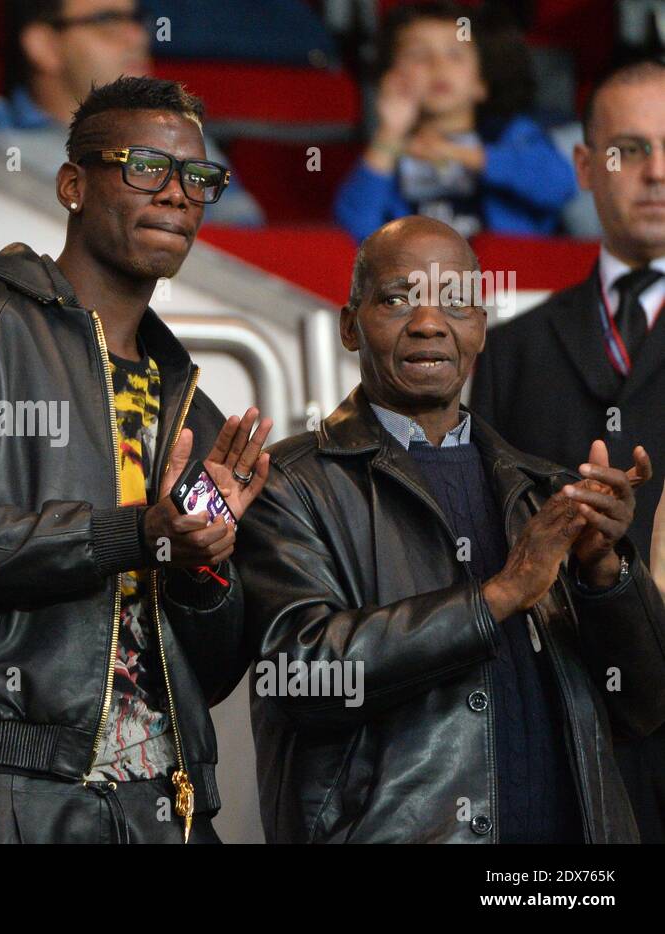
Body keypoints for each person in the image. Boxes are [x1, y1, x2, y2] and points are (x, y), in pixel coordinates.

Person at [0, 76, 268, 844]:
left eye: (199, 177)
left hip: (168, 796)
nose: (178, 193)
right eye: (146, 167)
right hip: (6, 780)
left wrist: (201, 567)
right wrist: (132, 534)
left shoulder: (189, 403)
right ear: (72, 185)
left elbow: (213, 671)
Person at [237, 215, 665, 844]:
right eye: (398, 300)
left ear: (480, 328)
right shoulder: (287, 483)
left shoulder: (543, 490)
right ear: (350, 326)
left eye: (456, 302)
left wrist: (606, 574)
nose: (429, 323)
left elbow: (642, 708)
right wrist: (499, 596)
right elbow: (302, 678)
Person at [472, 57, 665, 841]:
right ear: (585, 166)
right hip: (563, 737)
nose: (656, 172)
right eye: (629, 149)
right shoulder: (509, 352)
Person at [0, 0, 264, 226]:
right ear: (44, 45)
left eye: (136, 19)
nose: (138, 38)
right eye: (107, 21)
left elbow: (244, 254)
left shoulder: (187, 140)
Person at [333, 1, 575, 242]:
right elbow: (354, 228)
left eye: (455, 54)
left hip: (505, 266)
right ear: (391, 76)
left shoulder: (512, 135)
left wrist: (459, 154)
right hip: (420, 266)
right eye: (418, 55)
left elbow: (559, 185)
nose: (438, 66)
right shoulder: (387, 155)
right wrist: (390, 133)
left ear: (481, 82)